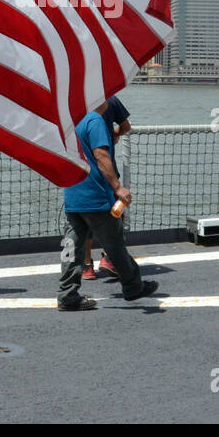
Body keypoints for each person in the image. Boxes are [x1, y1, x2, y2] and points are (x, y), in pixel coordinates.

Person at [58, 101, 158, 311]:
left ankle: (67, 294)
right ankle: (133, 287)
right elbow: (101, 155)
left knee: (71, 247)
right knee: (114, 245)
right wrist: (118, 187)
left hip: (73, 194)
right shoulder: (94, 121)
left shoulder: (70, 121)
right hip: (96, 195)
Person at [83, 95, 130, 281]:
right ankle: (109, 258)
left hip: (81, 167)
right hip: (107, 167)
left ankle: (87, 266)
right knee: (116, 211)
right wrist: (115, 134)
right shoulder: (110, 99)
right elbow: (126, 125)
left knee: (83, 216)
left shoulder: (73, 98)